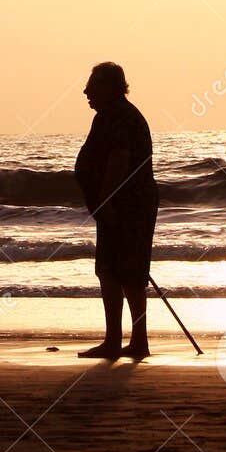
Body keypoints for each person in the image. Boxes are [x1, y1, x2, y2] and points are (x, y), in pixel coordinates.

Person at [74, 62, 158, 360]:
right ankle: (117, 339)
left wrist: (107, 199)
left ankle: (133, 340)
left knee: (127, 272)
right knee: (110, 270)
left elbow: (119, 161)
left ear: (110, 87)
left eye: (92, 85)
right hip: (118, 204)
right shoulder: (108, 116)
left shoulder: (120, 117)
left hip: (127, 205)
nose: (86, 91)